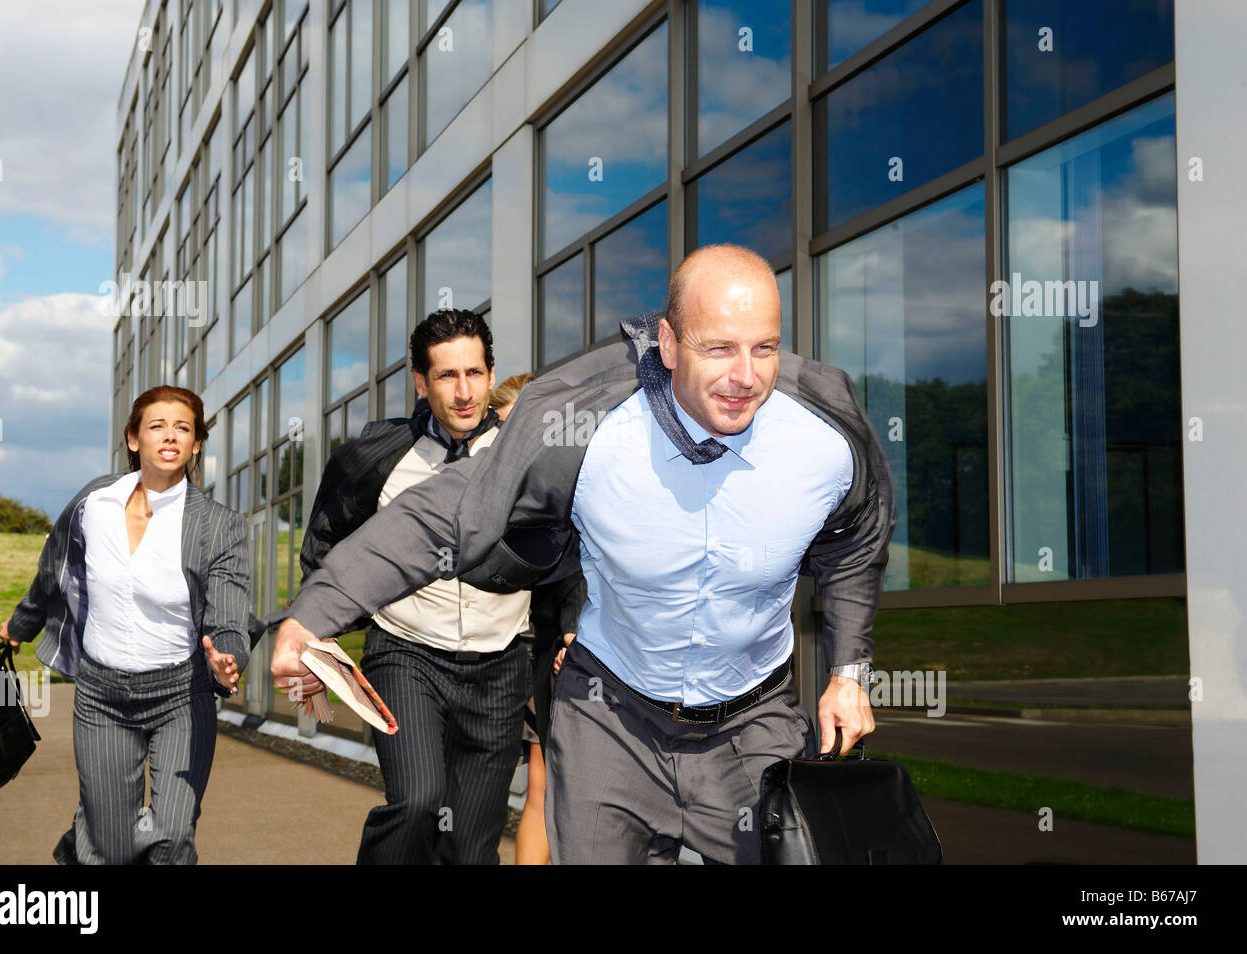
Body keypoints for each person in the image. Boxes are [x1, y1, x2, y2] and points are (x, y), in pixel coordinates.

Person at [271, 244, 894, 864]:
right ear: (670, 343)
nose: (746, 376)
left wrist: (848, 673)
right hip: (611, 725)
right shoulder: (586, 432)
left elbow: (857, 544)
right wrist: (313, 614)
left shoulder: (824, 443)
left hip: (751, 727)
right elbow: (449, 515)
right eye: (719, 348)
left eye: (764, 347)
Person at [283, 310, 533, 865]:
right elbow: (326, 547)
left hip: (499, 666)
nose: (464, 392)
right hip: (406, 656)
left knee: (470, 850)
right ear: (421, 382)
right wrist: (314, 644)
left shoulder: (525, 458)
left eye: (474, 373)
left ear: (492, 374)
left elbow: (570, 549)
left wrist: (566, 631)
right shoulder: (379, 457)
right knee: (419, 801)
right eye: (447, 376)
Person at [1, 385, 251, 865]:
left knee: (173, 835)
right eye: (157, 425)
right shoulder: (95, 502)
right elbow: (53, 571)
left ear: (197, 443)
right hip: (101, 698)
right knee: (112, 846)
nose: (171, 436)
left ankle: (93, 835)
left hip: (182, 695)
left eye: (184, 427)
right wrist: (20, 624)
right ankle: (92, 838)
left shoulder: (220, 526)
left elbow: (228, 613)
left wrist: (227, 656)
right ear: (134, 439)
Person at [487, 373, 586, 866]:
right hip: (500, 653)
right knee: (533, 791)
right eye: (504, 426)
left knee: (557, 790)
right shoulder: (487, 484)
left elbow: (580, 571)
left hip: (552, 649)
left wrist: (574, 630)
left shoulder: (565, 483)